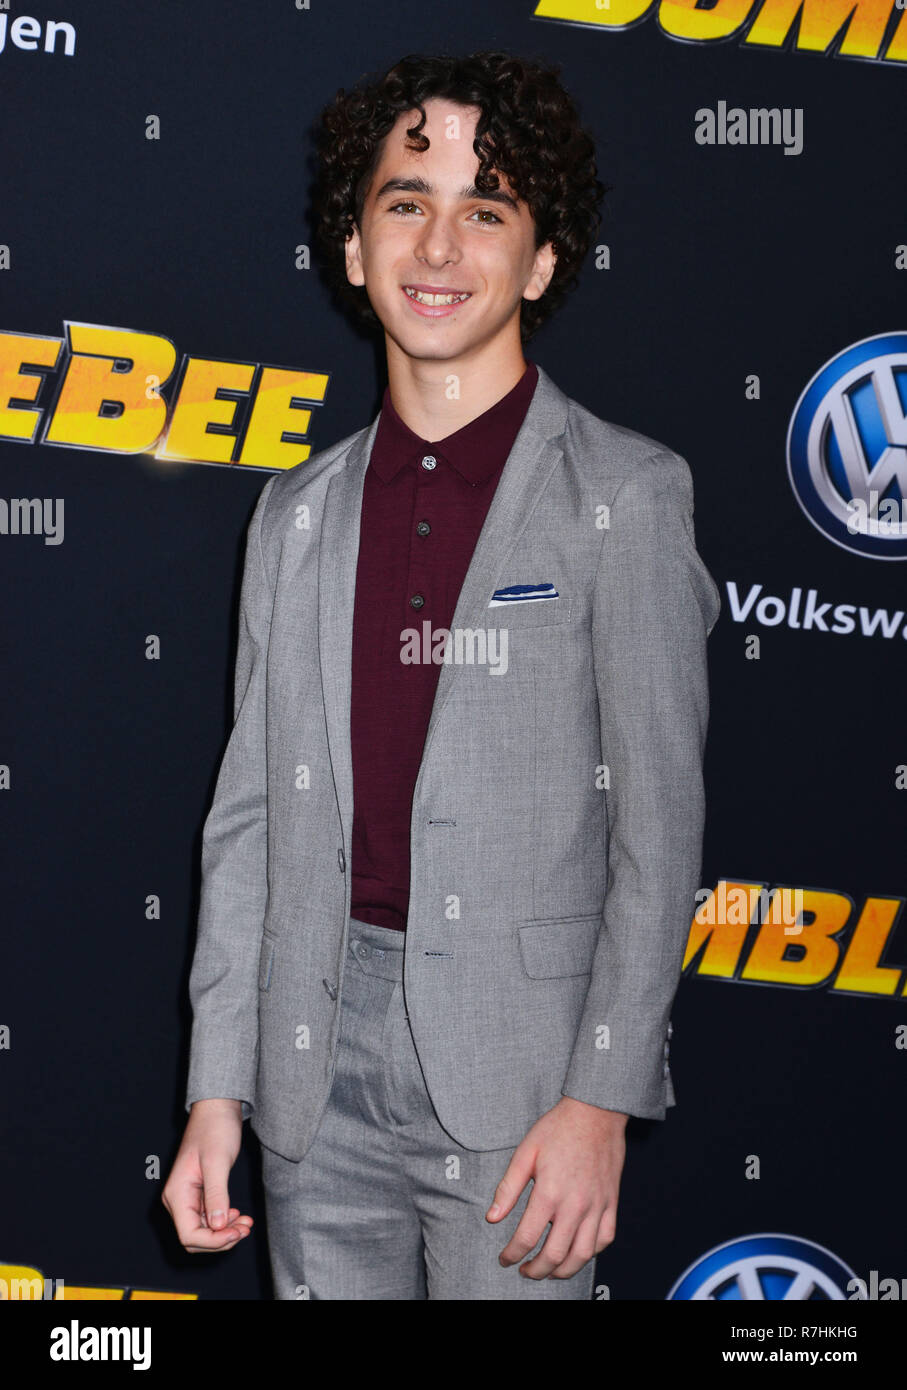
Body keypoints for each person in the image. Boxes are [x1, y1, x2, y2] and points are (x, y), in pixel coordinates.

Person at [162, 49, 721, 1301]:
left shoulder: (627, 497)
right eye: (406, 201)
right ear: (354, 250)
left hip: (524, 1084)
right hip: (312, 1067)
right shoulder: (293, 512)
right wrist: (218, 1092)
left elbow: (660, 830)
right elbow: (245, 824)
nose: (439, 244)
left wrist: (601, 1101)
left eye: (488, 210)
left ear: (540, 260)